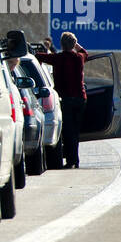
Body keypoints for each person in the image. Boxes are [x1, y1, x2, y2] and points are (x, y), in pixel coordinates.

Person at [34, 31, 87, 168]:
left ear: (61, 45)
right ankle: (75, 160)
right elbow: (84, 52)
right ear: (74, 44)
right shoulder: (79, 58)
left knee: (68, 131)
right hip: (80, 99)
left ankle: (71, 161)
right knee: (75, 131)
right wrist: (76, 45)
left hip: (66, 99)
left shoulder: (57, 58)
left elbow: (39, 56)